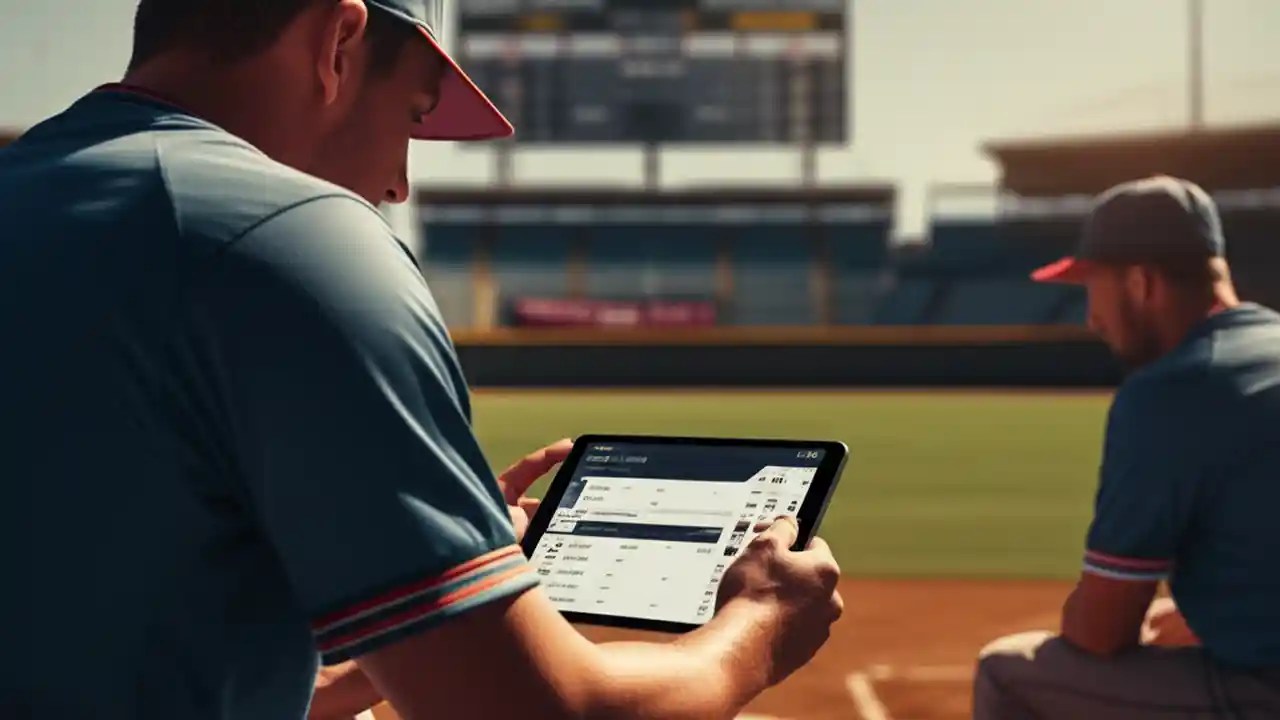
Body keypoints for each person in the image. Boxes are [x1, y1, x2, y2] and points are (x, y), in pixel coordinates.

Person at [0, 2, 845, 719]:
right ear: (338, 42)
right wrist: (758, 627)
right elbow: (536, 712)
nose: (400, 184)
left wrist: (426, 615)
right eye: (412, 113)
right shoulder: (288, 236)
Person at [971, 175, 1280, 719]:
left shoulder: (1173, 390)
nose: (1092, 316)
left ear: (1141, 283)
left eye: (1094, 287)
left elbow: (1100, 632)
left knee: (1007, 671)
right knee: (1177, 625)